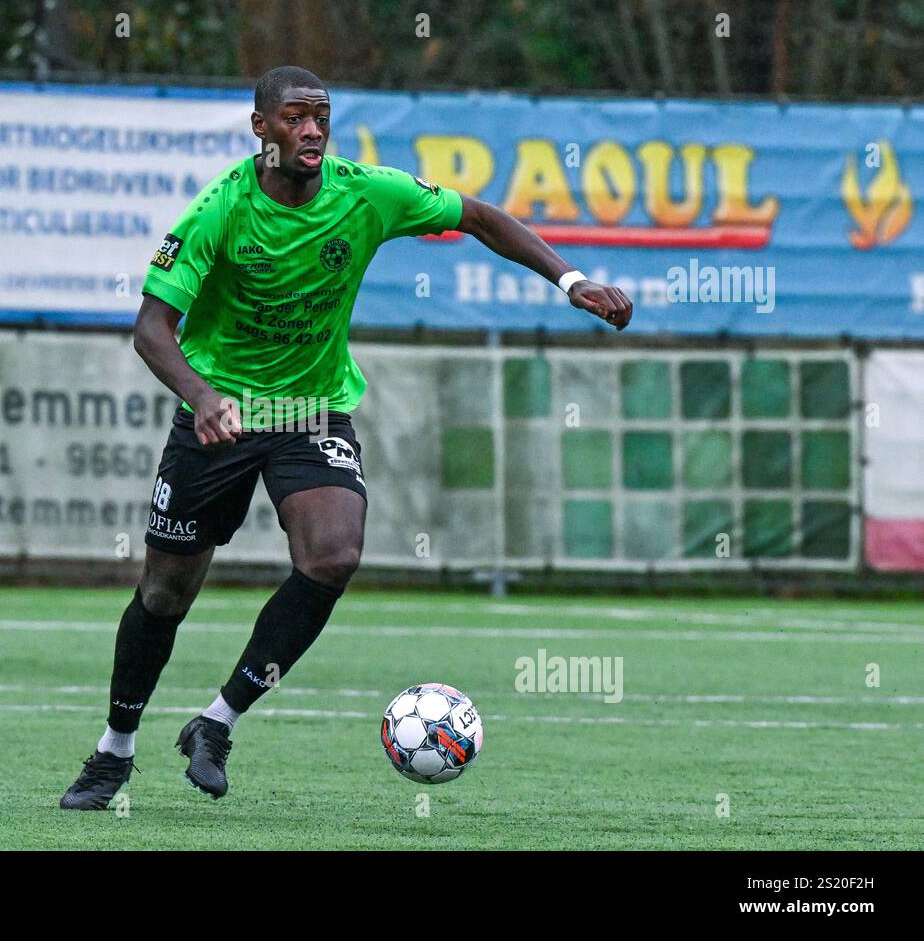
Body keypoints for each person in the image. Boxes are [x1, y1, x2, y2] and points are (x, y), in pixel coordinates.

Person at [60, 65, 632, 809]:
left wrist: (570, 281)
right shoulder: (219, 211)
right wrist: (200, 397)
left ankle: (217, 721)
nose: (312, 130)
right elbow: (151, 329)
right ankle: (114, 751)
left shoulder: (366, 191)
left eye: (321, 116)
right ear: (261, 127)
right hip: (221, 416)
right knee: (166, 595)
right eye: (295, 117)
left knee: (334, 554)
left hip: (312, 411)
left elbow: (481, 216)